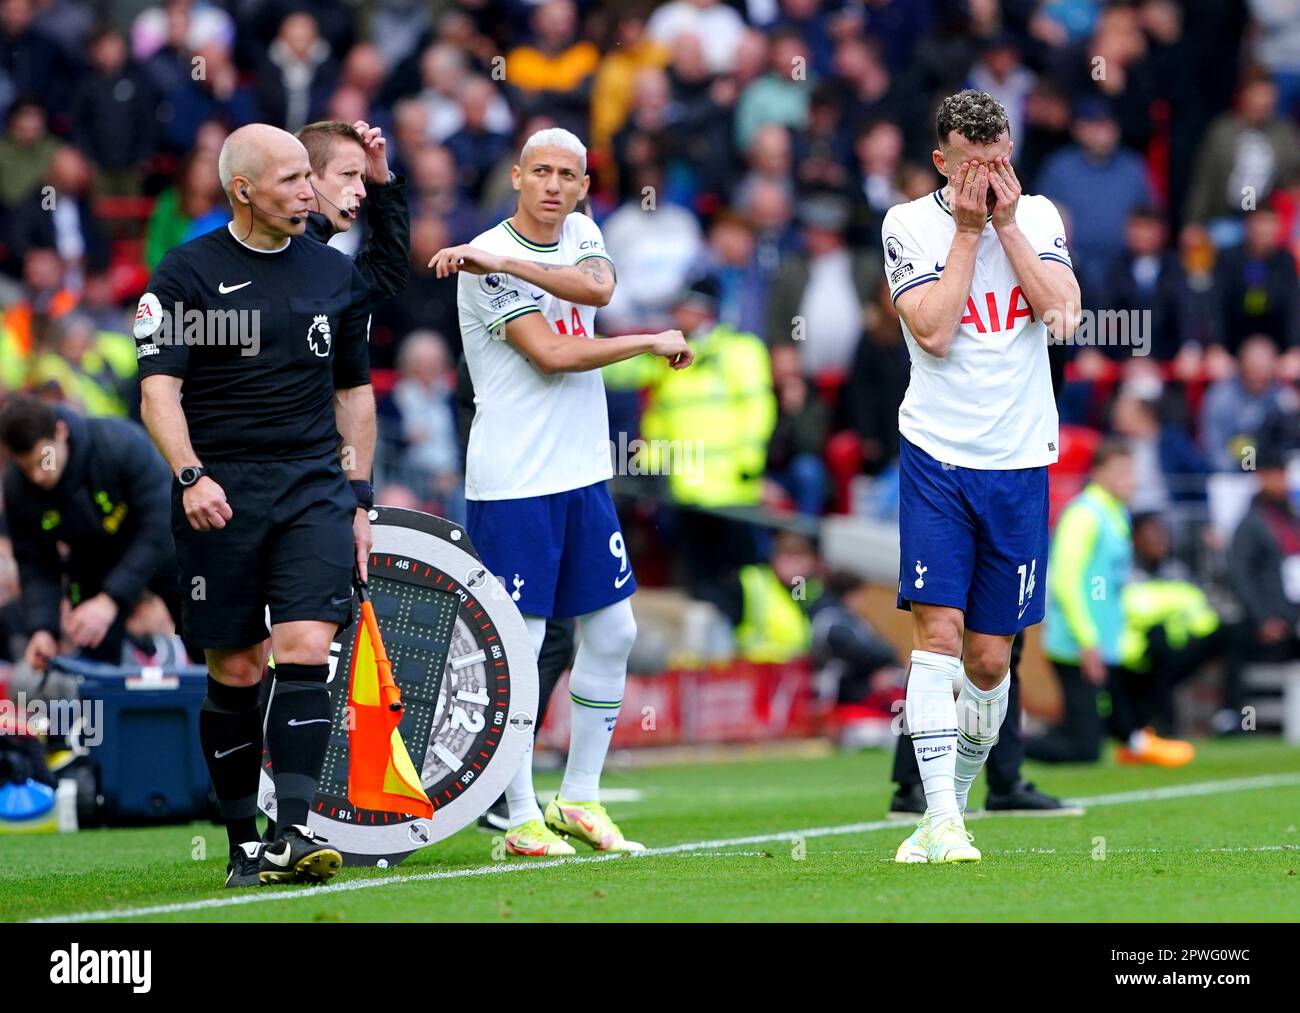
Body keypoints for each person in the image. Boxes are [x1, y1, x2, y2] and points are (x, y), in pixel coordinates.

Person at [430, 126, 692, 856]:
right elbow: (553, 354)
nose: (551, 184)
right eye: (539, 171)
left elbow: (600, 288)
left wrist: (511, 260)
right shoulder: (481, 264)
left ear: (582, 186)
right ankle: (515, 815)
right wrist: (646, 340)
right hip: (515, 479)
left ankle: (579, 798)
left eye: (566, 174)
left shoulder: (572, 234)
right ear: (516, 176)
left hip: (582, 475)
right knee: (522, 645)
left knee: (614, 631)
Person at [135, 123, 376, 889]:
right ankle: (243, 839)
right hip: (220, 490)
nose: (310, 192)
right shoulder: (185, 275)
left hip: (312, 485)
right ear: (243, 190)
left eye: (312, 176)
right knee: (236, 666)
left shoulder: (333, 273)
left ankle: (294, 829)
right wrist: (189, 476)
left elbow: (354, 392)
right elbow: (157, 392)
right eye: (291, 181)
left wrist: (358, 498)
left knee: (306, 643)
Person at [883, 90, 1081, 864]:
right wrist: (968, 230)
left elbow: (1063, 317)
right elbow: (931, 331)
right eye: (973, 165)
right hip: (936, 453)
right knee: (937, 636)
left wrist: (1003, 221)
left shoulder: (1036, 215)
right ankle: (943, 819)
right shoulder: (908, 223)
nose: (990, 175)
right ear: (942, 161)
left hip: (1020, 458)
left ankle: (948, 808)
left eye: (1000, 160)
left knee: (992, 659)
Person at [1028, 441, 1195, 767]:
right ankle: (1005, 747)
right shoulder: (1084, 515)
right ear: (1098, 473)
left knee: (1107, 713)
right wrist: (1088, 640)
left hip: (1103, 643)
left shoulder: (1115, 515)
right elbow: (1065, 581)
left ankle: (1135, 741)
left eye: (1131, 472)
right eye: (1120, 472)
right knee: (1085, 748)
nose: (1128, 480)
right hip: (1075, 645)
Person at [0, 395, 178, 669]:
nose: (37, 475)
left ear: (61, 431)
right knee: (95, 655)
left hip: (162, 551)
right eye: (26, 466)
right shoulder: (18, 487)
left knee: (205, 629)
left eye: (42, 460)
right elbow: (36, 563)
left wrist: (112, 599)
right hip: (92, 564)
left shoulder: (120, 444)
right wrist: (43, 628)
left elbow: (160, 526)